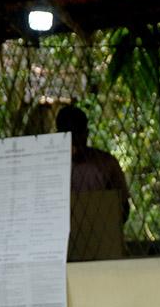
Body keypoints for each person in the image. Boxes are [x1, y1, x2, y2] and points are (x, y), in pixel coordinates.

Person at [55, 104, 130, 261]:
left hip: (100, 245)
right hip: (67, 247)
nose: (73, 144)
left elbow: (123, 209)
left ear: (85, 134)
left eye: (76, 135)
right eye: (69, 136)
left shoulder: (105, 164)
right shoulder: (50, 166)